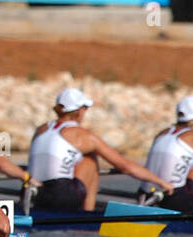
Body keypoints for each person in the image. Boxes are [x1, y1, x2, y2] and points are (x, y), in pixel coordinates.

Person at [28, 88, 170, 214]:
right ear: (79, 110)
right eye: (85, 109)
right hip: (60, 196)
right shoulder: (82, 135)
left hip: (35, 194)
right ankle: (87, 215)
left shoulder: (41, 129)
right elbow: (125, 166)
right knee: (90, 160)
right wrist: (160, 182)